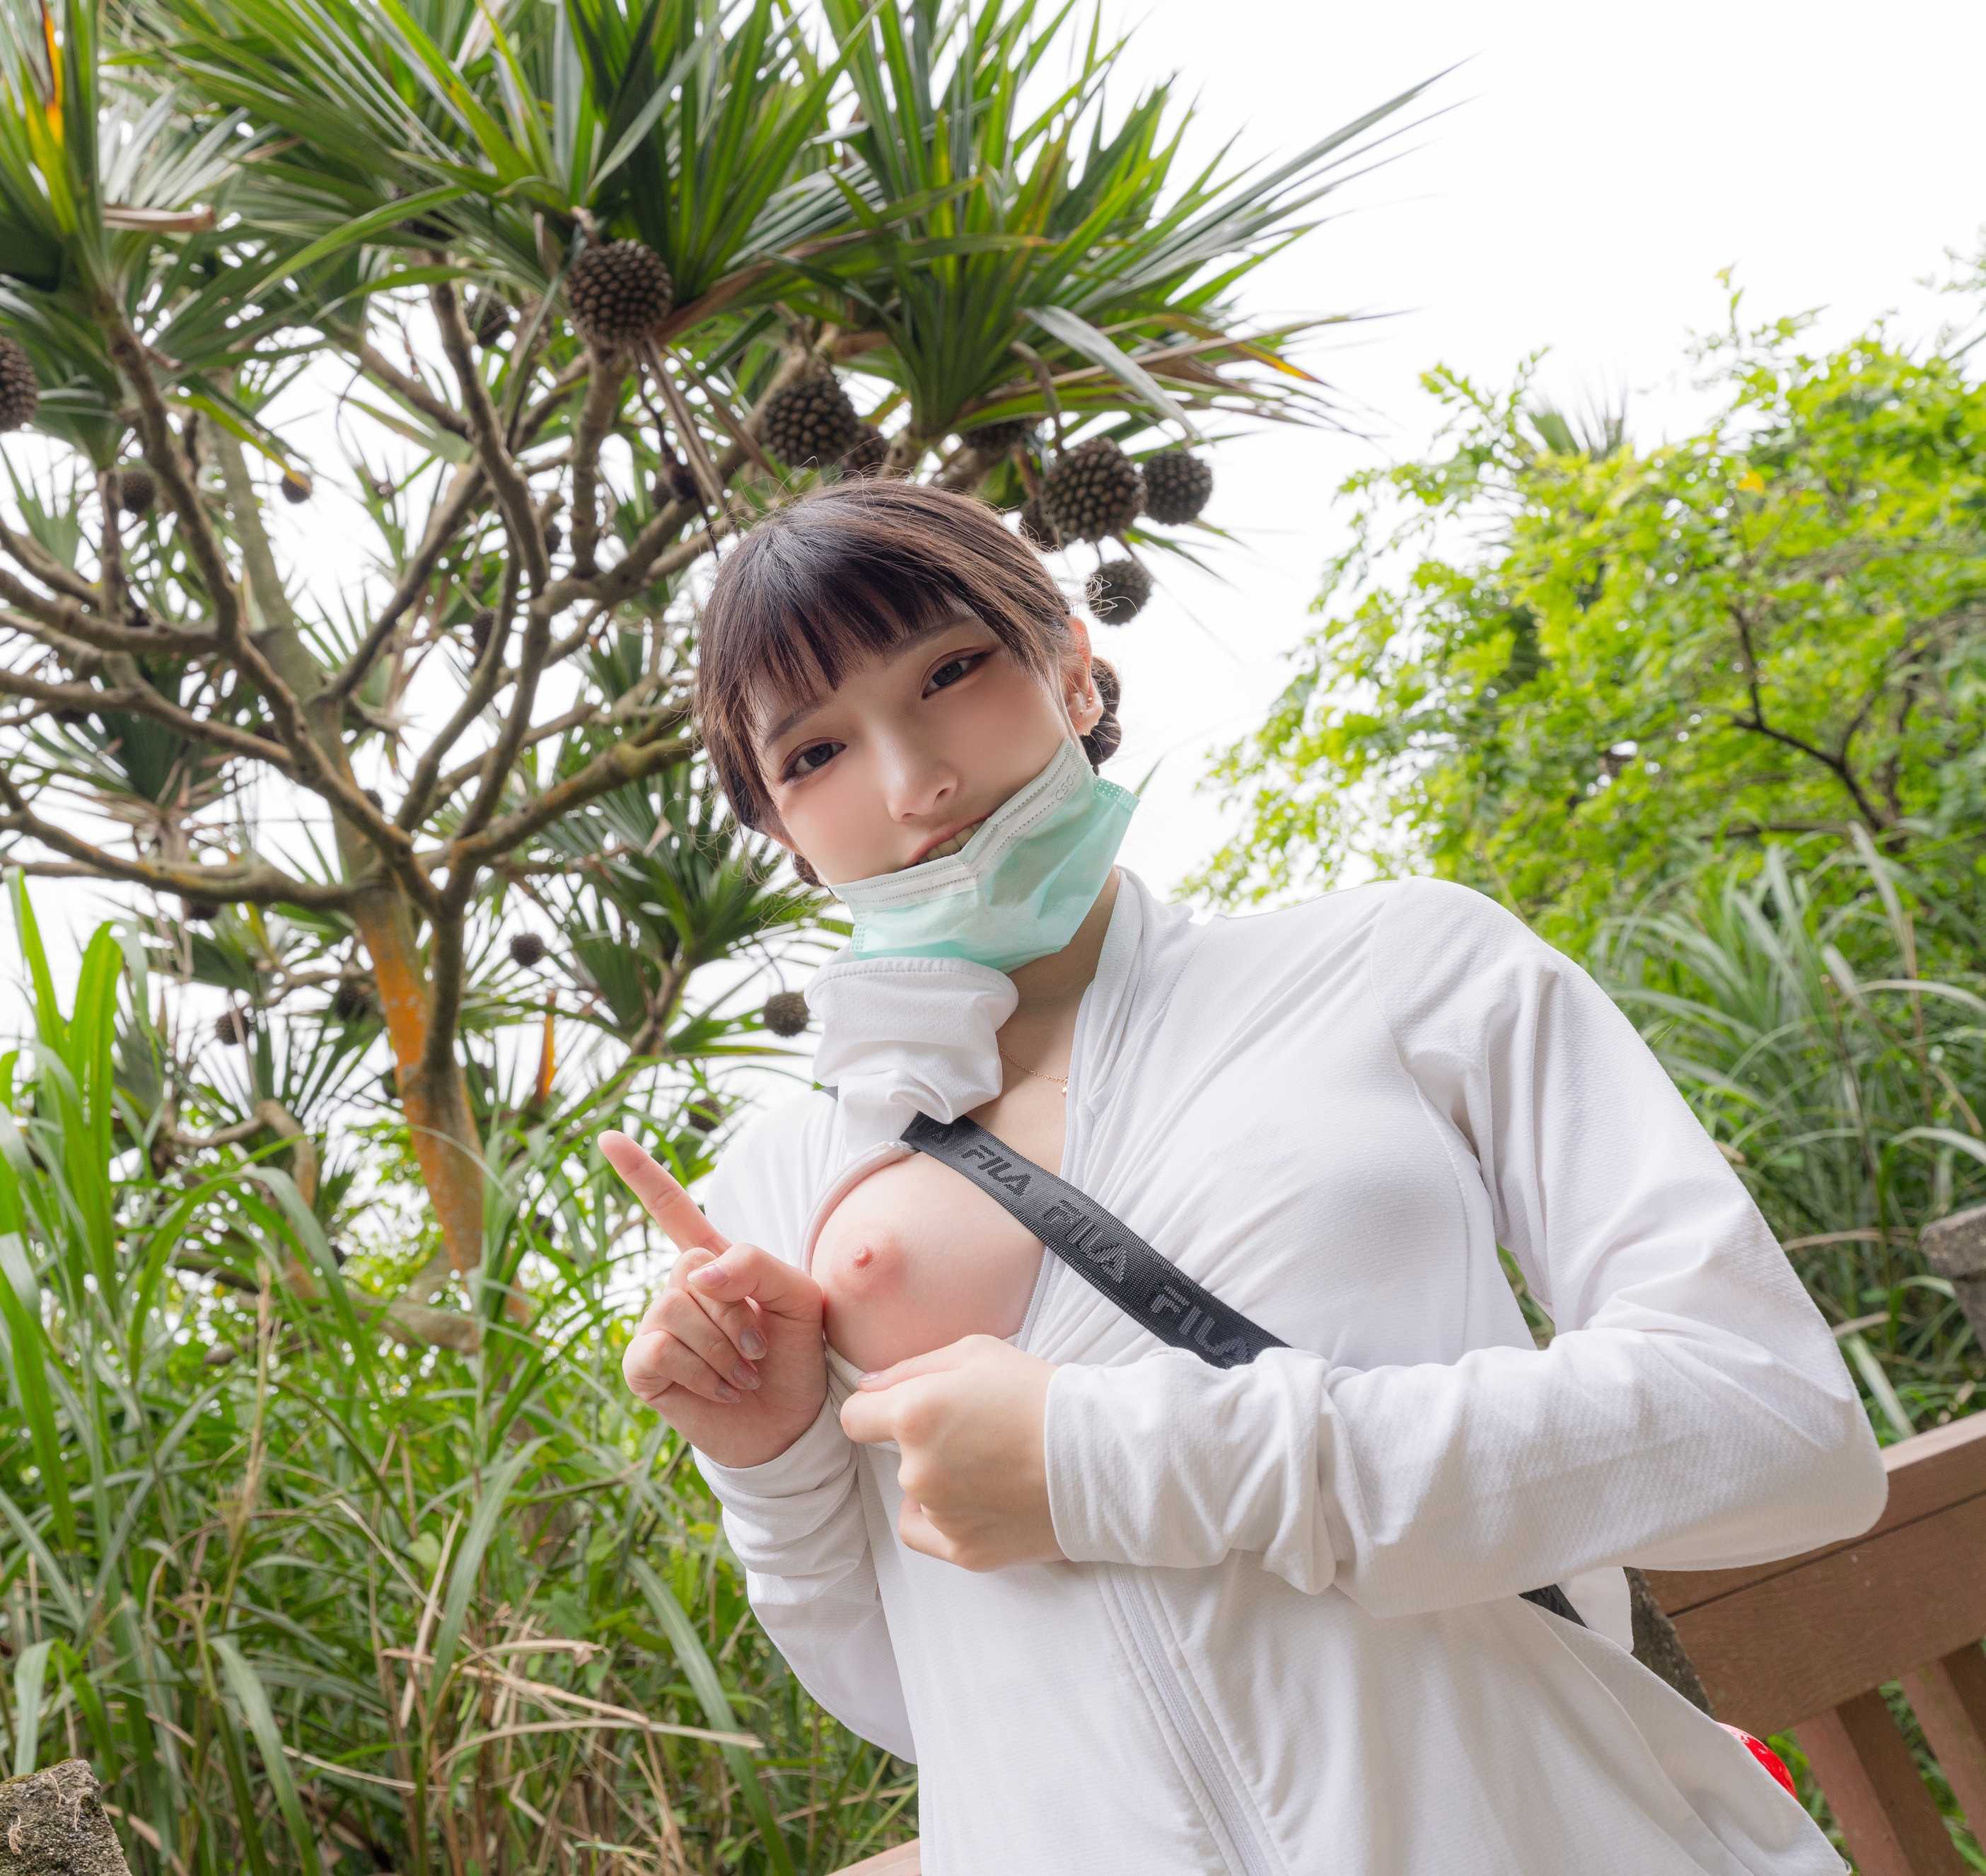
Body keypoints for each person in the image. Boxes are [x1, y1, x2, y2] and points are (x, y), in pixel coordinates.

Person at [596, 478, 1888, 1875]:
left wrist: (1120, 1462)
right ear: (780, 833)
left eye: (948, 672)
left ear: (1071, 667)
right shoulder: (776, 1190)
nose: (914, 787)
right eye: (812, 754)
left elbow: (1777, 1428)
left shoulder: (1395, 965)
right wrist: (772, 1465)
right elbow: (932, 1706)